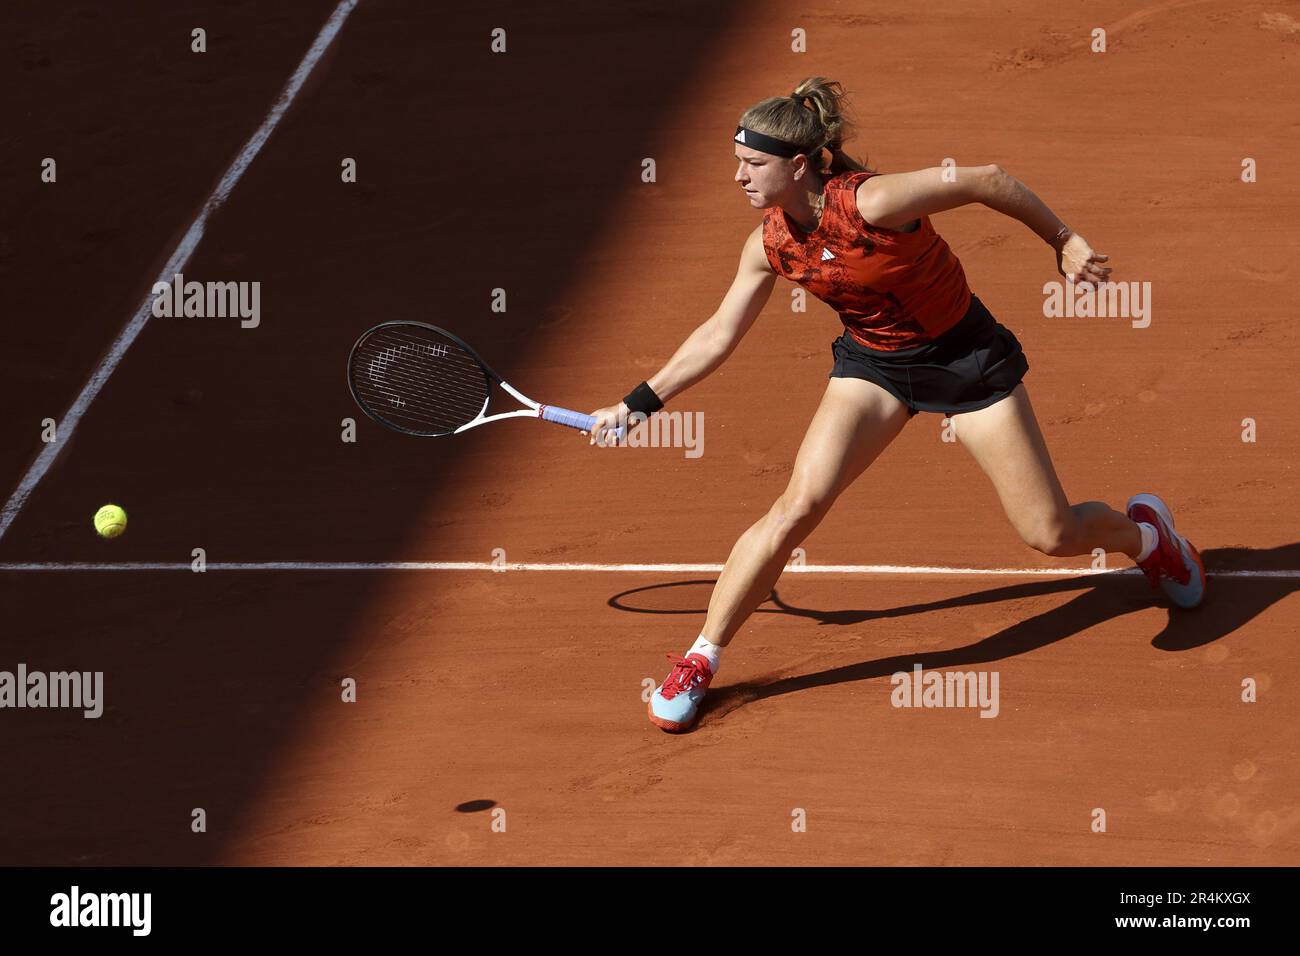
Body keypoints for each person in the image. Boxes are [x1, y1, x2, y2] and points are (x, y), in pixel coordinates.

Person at [587, 76, 1205, 734]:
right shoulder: (769, 243)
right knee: (797, 506)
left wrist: (1063, 240)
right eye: (737, 161)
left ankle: (1148, 538)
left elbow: (987, 179)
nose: (738, 175)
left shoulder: (873, 203)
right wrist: (638, 403)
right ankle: (701, 659)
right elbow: (719, 333)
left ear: (797, 166)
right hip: (875, 368)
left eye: (753, 163)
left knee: (1050, 534)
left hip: (965, 363)